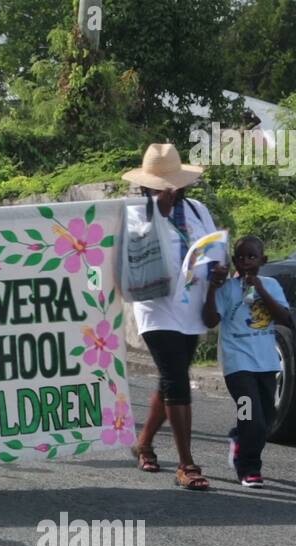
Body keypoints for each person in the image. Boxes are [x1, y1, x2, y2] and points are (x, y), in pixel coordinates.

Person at [123, 144, 218, 490]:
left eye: (176, 184)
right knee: (176, 377)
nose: (171, 191)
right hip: (156, 306)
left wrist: (216, 272)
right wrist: (157, 217)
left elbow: (213, 246)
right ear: (146, 186)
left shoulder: (197, 209)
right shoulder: (135, 212)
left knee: (170, 378)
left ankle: (144, 443)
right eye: (162, 186)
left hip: (192, 306)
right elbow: (133, 253)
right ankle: (187, 464)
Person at [203, 236, 291, 488]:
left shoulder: (271, 285)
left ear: (262, 260)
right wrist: (212, 287)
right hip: (237, 366)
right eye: (240, 257)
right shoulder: (226, 288)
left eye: (251, 257)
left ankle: (238, 439)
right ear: (234, 261)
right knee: (249, 415)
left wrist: (259, 289)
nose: (245, 261)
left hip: (267, 365)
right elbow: (210, 321)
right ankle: (249, 468)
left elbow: (284, 319)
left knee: (266, 420)